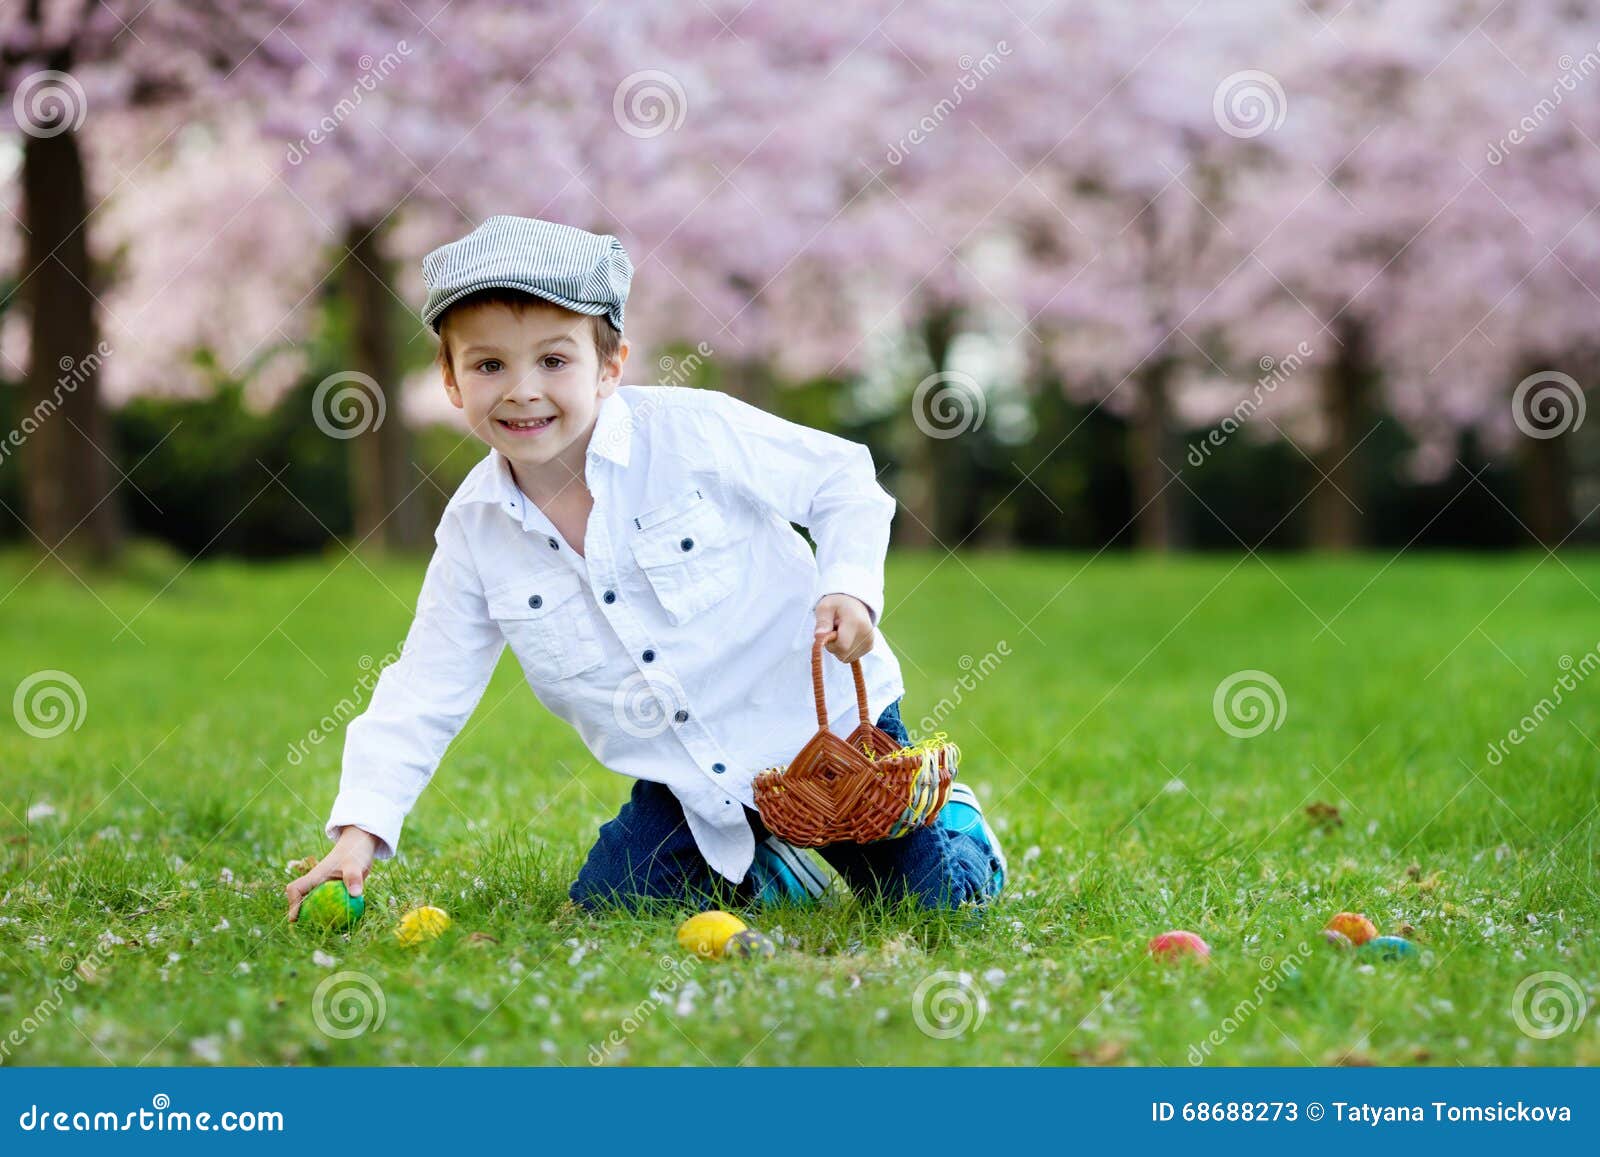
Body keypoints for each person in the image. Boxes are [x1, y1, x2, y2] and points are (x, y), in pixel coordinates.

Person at [284, 216, 1005, 921]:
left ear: (611, 365)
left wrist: (847, 586)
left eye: (554, 360)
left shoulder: (691, 433)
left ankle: (960, 828)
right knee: (614, 902)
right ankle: (766, 860)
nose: (522, 389)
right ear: (449, 379)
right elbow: (425, 685)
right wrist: (361, 830)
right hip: (694, 780)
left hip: (829, 736)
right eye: (488, 364)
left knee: (929, 901)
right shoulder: (477, 532)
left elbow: (840, 480)